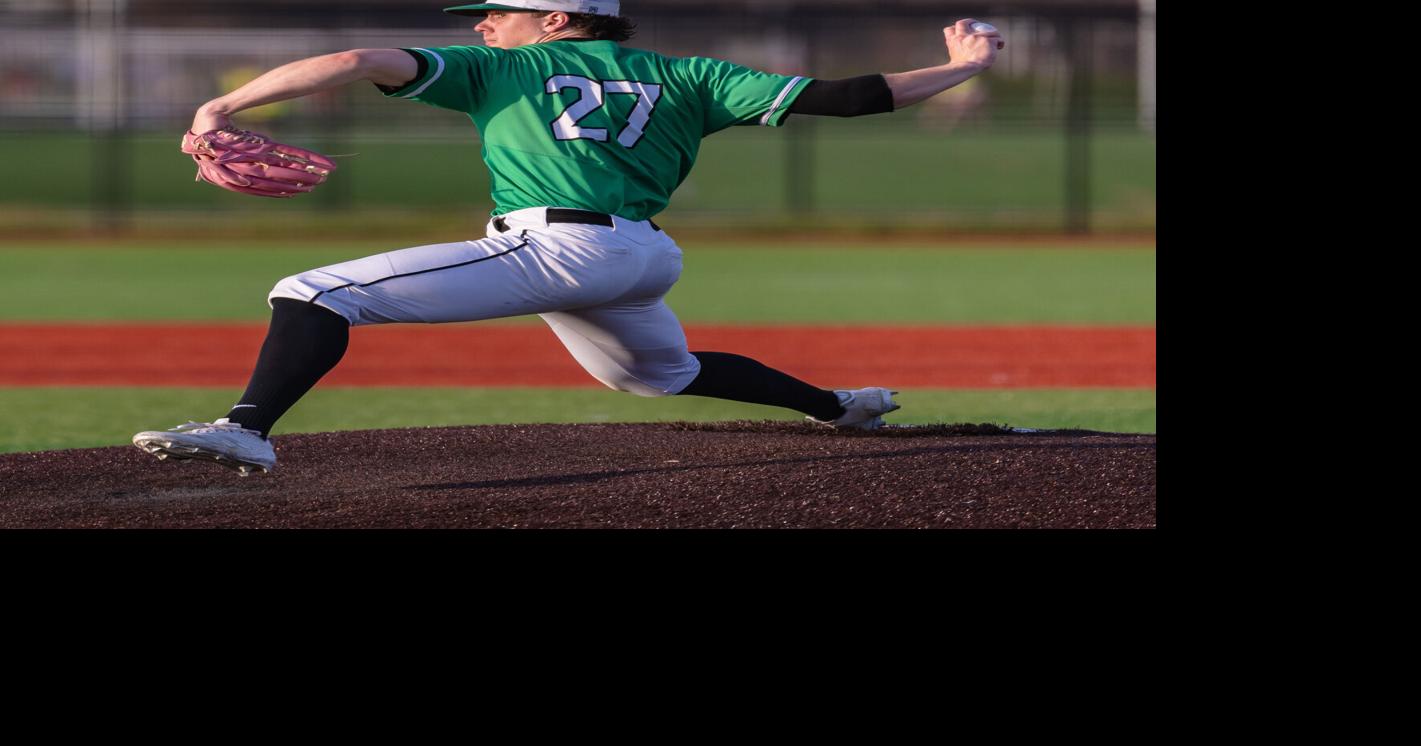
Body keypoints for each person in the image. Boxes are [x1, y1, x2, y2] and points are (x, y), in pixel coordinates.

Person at [132, 2, 1004, 475]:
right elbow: (847, 97)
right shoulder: (690, 73)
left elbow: (360, 59)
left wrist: (222, 107)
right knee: (657, 373)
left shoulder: (505, 66)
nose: (481, 25)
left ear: (554, 19)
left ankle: (246, 427)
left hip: (561, 249)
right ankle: (840, 406)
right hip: (640, 253)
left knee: (312, 291)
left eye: (498, 13)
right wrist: (963, 68)